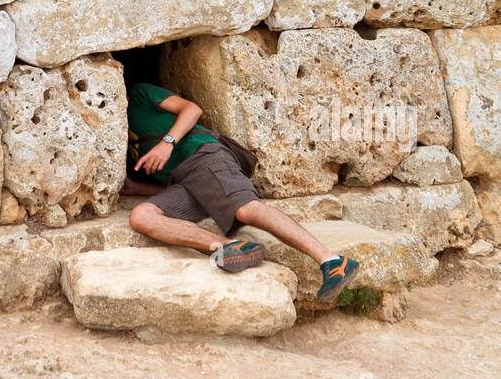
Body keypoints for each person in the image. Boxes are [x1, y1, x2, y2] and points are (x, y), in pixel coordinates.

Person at [124, 81, 359, 304]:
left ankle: (331, 260)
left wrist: (167, 142)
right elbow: (167, 184)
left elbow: (192, 109)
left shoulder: (139, 95)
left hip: (203, 155)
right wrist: (136, 188)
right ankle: (229, 247)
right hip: (185, 183)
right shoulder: (124, 141)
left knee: (245, 210)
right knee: (142, 216)